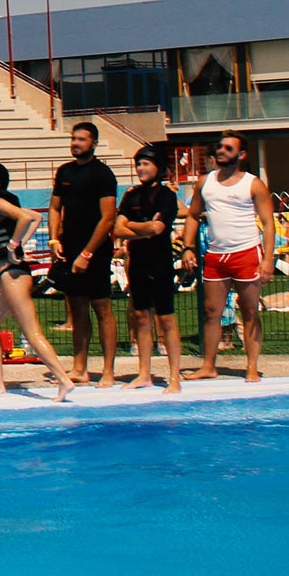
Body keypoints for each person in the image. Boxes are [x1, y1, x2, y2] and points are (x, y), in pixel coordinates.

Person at [0, 160, 68, 400]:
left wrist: (13, 246)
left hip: (14, 275)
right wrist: (15, 245)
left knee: (32, 332)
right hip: (8, 275)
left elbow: (26, 217)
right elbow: (34, 217)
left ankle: (63, 380)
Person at [184, 131, 277, 382]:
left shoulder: (253, 184)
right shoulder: (205, 183)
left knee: (249, 311)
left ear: (241, 154)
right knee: (211, 312)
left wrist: (268, 259)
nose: (221, 151)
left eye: (228, 148)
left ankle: (252, 366)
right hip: (216, 255)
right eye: (220, 147)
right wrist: (187, 247)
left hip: (246, 253)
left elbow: (268, 223)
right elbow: (192, 215)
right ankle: (208, 366)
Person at [47, 121, 120, 386]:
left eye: (82, 139)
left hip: (95, 250)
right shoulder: (64, 172)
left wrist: (87, 254)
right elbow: (55, 208)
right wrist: (54, 239)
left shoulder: (103, 174)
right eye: (73, 138)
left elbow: (107, 218)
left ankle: (108, 370)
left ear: (94, 144)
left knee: (102, 308)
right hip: (69, 248)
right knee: (77, 309)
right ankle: (80, 368)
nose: (76, 143)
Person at [114, 142, 183, 392]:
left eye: (145, 164)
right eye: (138, 164)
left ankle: (174, 377)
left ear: (158, 167)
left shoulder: (167, 196)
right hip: (138, 262)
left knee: (166, 318)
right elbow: (117, 228)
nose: (141, 168)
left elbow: (158, 228)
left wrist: (132, 227)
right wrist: (143, 229)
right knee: (141, 317)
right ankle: (144, 373)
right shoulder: (131, 195)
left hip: (160, 262)